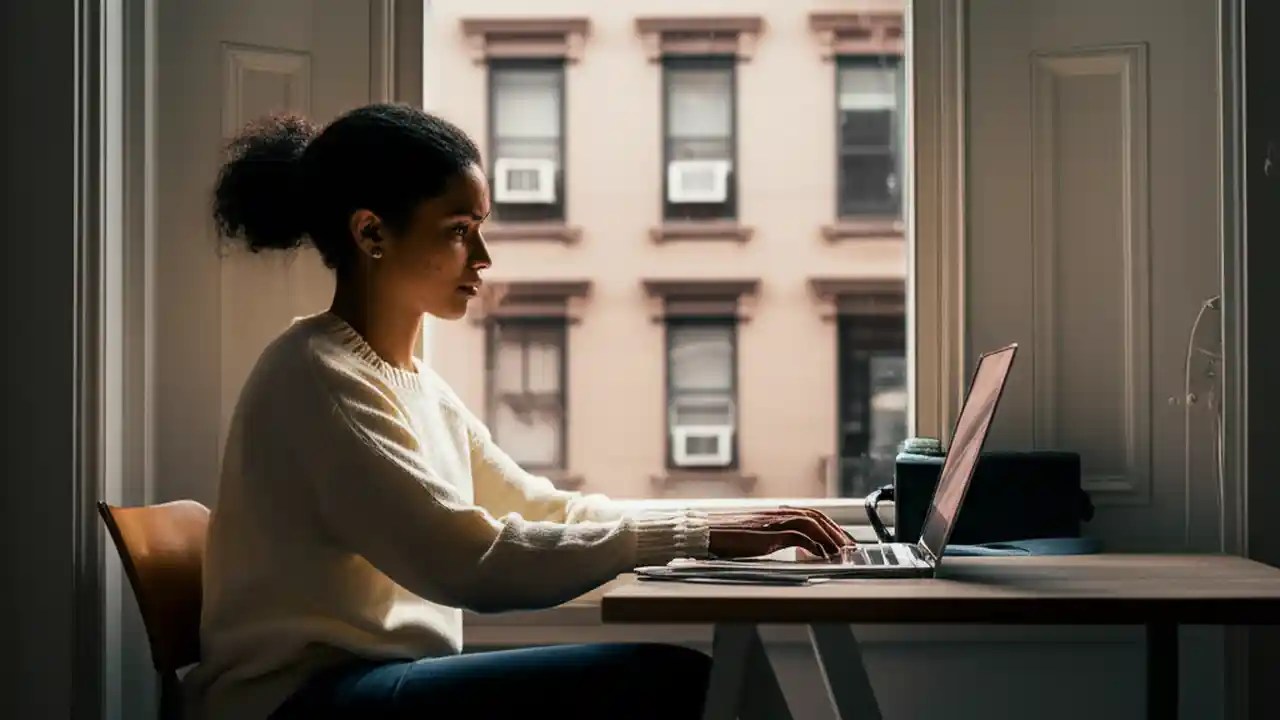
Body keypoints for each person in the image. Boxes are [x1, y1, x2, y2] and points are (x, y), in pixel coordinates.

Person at [183, 103, 854, 719]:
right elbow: (473, 560)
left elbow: (537, 507)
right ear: (371, 233)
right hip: (298, 705)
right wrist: (697, 538)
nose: (482, 257)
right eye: (458, 231)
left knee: (693, 680)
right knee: (666, 681)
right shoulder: (318, 379)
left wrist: (716, 525)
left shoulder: (408, 381)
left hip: (370, 684)